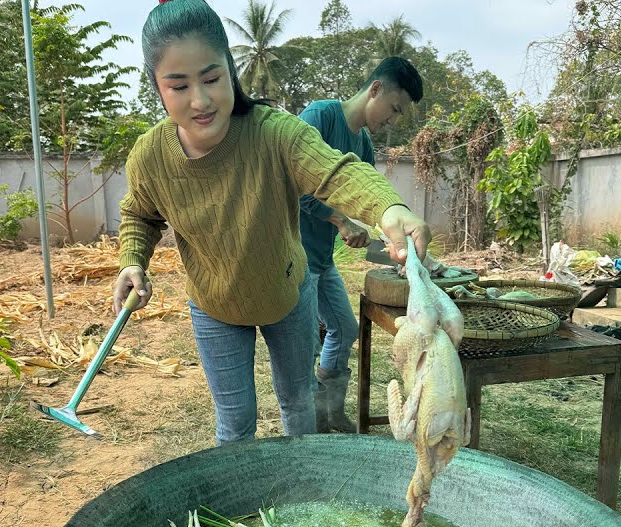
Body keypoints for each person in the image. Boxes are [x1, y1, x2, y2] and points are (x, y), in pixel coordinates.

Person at [113, 0, 431, 447]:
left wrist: (388, 208)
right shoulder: (149, 157)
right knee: (235, 424)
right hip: (215, 304)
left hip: (288, 294)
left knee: (298, 404)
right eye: (179, 85)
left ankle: (302, 487)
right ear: (157, 86)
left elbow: (335, 171)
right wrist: (132, 260)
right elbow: (140, 214)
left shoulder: (274, 132)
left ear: (230, 68)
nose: (200, 100)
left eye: (212, 78)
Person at [299, 57, 424, 433]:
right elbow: (295, 185)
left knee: (344, 328)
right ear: (375, 89)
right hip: (294, 257)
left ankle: (331, 411)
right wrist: (340, 221)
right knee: (305, 344)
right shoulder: (320, 117)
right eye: (395, 109)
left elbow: (367, 200)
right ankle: (311, 425)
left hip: (321, 260)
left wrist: (396, 243)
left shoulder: (363, 144)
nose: (393, 120)